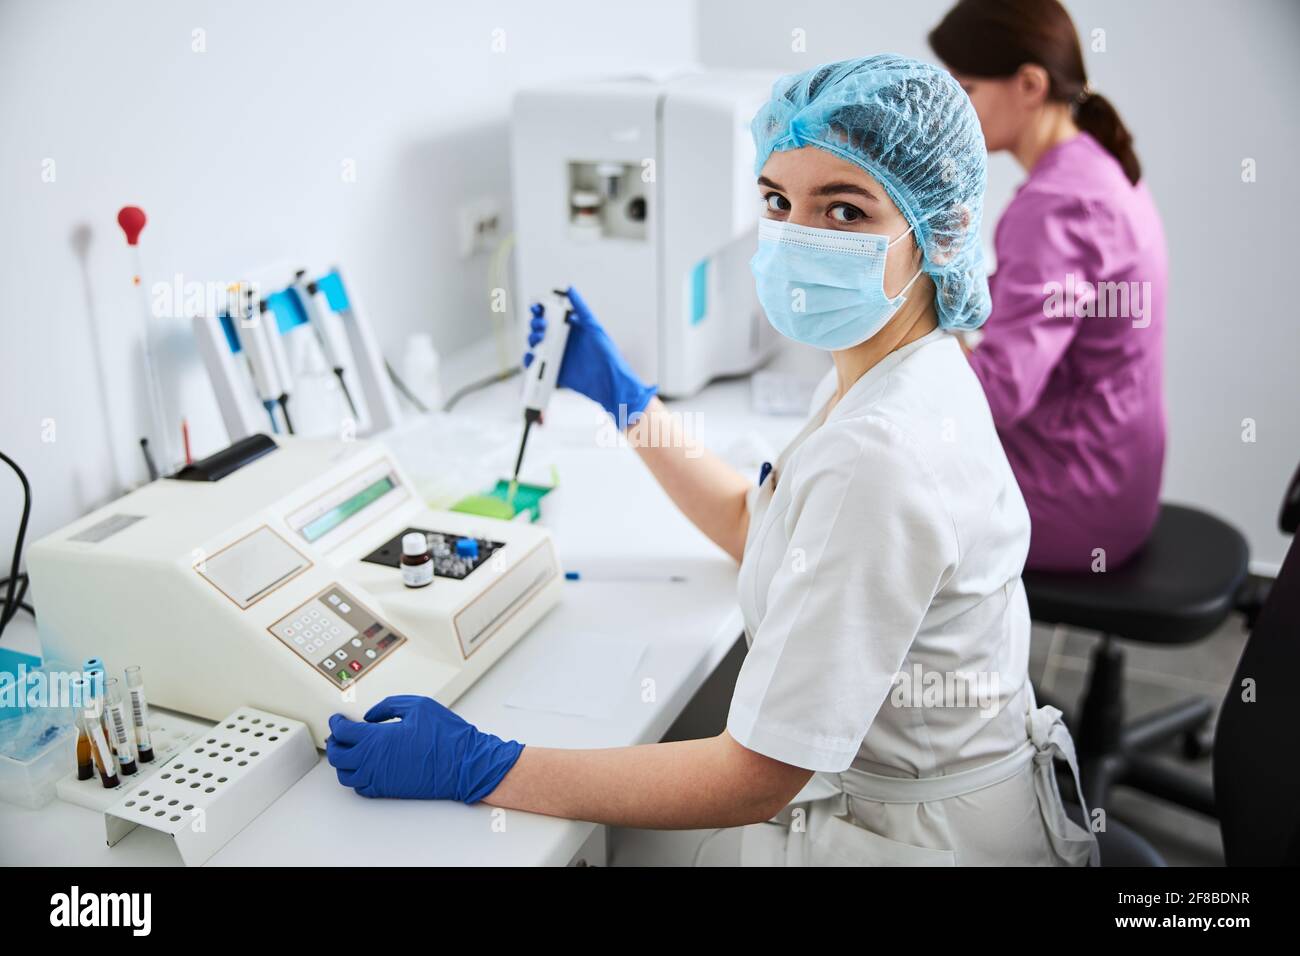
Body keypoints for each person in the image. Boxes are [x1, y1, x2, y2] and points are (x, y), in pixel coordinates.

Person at [325, 55, 1096, 866]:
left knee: (589, 848)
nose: (799, 236)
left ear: (935, 229)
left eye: (844, 210)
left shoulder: (880, 451)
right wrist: (630, 404)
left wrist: (481, 766)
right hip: (924, 796)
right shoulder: (891, 370)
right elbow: (749, 524)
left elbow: (753, 775)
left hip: (919, 840)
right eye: (777, 201)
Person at [930, 0, 1168, 571]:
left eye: (966, 89)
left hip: (1077, 498)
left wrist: (906, 342)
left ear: (1030, 84)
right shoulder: (1094, 166)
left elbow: (1002, 393)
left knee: (880, 489)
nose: (953, 112)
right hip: (1117, 476)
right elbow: (1041, 299)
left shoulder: (1055, 204)